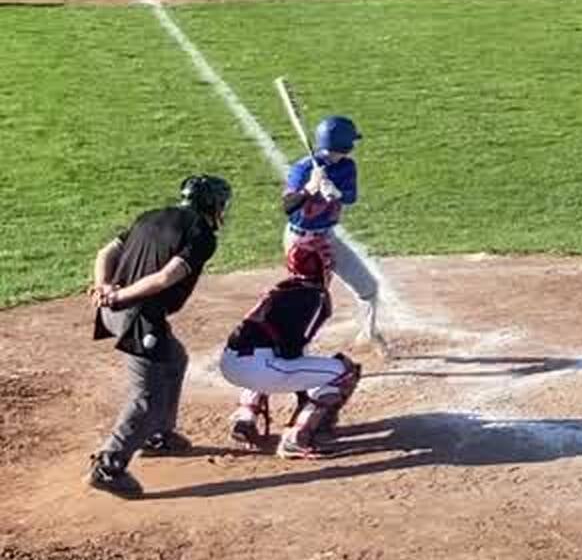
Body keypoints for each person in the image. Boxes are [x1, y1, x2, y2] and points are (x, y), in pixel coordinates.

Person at [85, 175, 232, 498]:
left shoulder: (149, 216)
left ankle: (159, 435)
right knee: (146, 398)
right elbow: (165, 278)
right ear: (212, 204)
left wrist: (103, 287)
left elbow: (105, 252)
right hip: (136, 317)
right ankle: (108, 466)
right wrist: (119, 297)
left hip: (116, 311)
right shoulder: (201, 234)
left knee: (175, 359)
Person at [221, 234, 362, 459]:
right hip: (259, 368)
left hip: (231, 362)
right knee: (345, 372)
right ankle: (296, 438)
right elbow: (291, 353)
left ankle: (245, 416)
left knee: (269, 358)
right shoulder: (316, 297)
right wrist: (305, 395)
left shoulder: (283, 288)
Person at [283, 115, 383, 350]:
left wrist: (335, 191)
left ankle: (369, 336)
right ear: (345, 145)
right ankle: (295, 349)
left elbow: (351, 197)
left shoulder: (347, 167)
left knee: (368, 287)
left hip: (328, 237)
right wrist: (310, 188)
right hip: (301, 242)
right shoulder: (303, 169)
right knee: (310, 299)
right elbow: (288, 207)